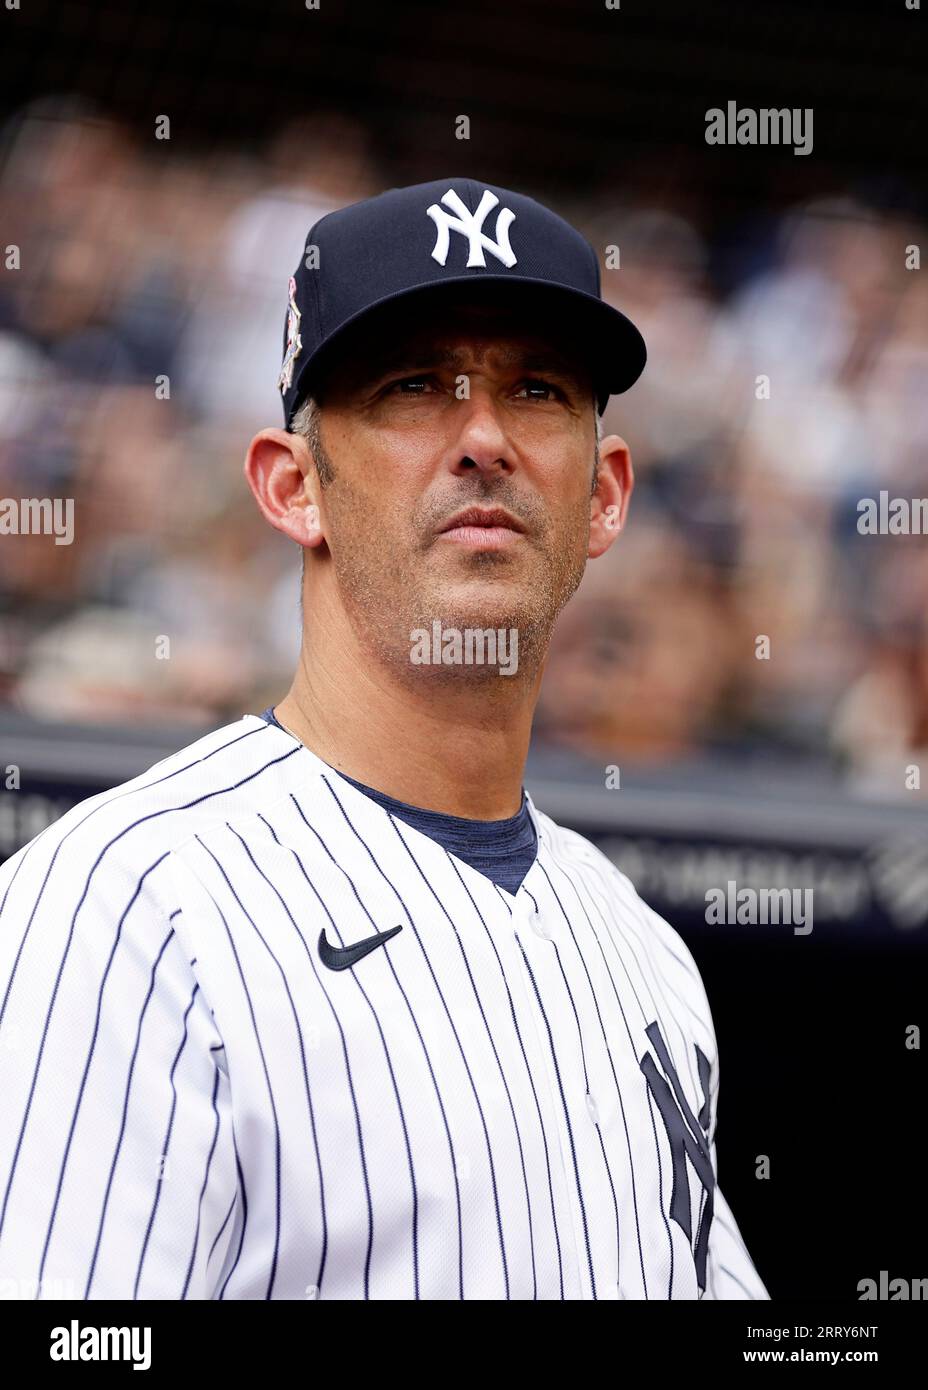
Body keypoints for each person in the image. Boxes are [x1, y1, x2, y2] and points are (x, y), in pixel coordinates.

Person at [0, 178, 768, 1300]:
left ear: (603, 497)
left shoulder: (643, 950)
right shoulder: (126, 907)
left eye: (538, 388)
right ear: (291, 484)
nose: (484, 439)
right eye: (414, 386)